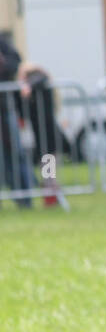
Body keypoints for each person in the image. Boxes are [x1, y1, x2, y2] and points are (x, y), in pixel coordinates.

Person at [0, 31, 34, 208]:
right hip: (42, 135)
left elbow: (15, 63)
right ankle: (50, 193)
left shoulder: (4, 44)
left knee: (47, 159)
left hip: (46, 140)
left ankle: (47, 194)